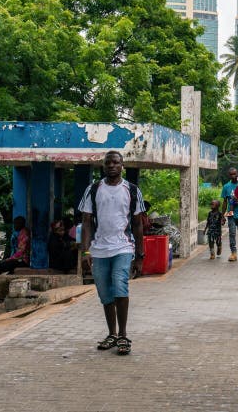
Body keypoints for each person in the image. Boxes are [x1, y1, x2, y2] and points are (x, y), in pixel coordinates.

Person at [79, 151, 145, 356]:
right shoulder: (94, 189)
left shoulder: (132, 190)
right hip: (99, 250)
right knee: (105, 292)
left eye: (116, 162)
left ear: (122, 166)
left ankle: (124, 335)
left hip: (123, 247)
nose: (112, 166)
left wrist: (140, 256)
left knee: (119, 286)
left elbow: (137, 225)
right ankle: (112, 334)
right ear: (103, 166)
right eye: (108, 163)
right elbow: (87, 221)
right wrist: (85, 252)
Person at [220, 167, 238, 261]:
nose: (233, 176)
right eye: (231, 174)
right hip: (230, 212)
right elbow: (224, 202)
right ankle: (233, 252)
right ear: (229, 175)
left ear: (237, 174)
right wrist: (222, 216)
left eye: (234, 174)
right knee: (232, 233)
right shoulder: (226, 186)